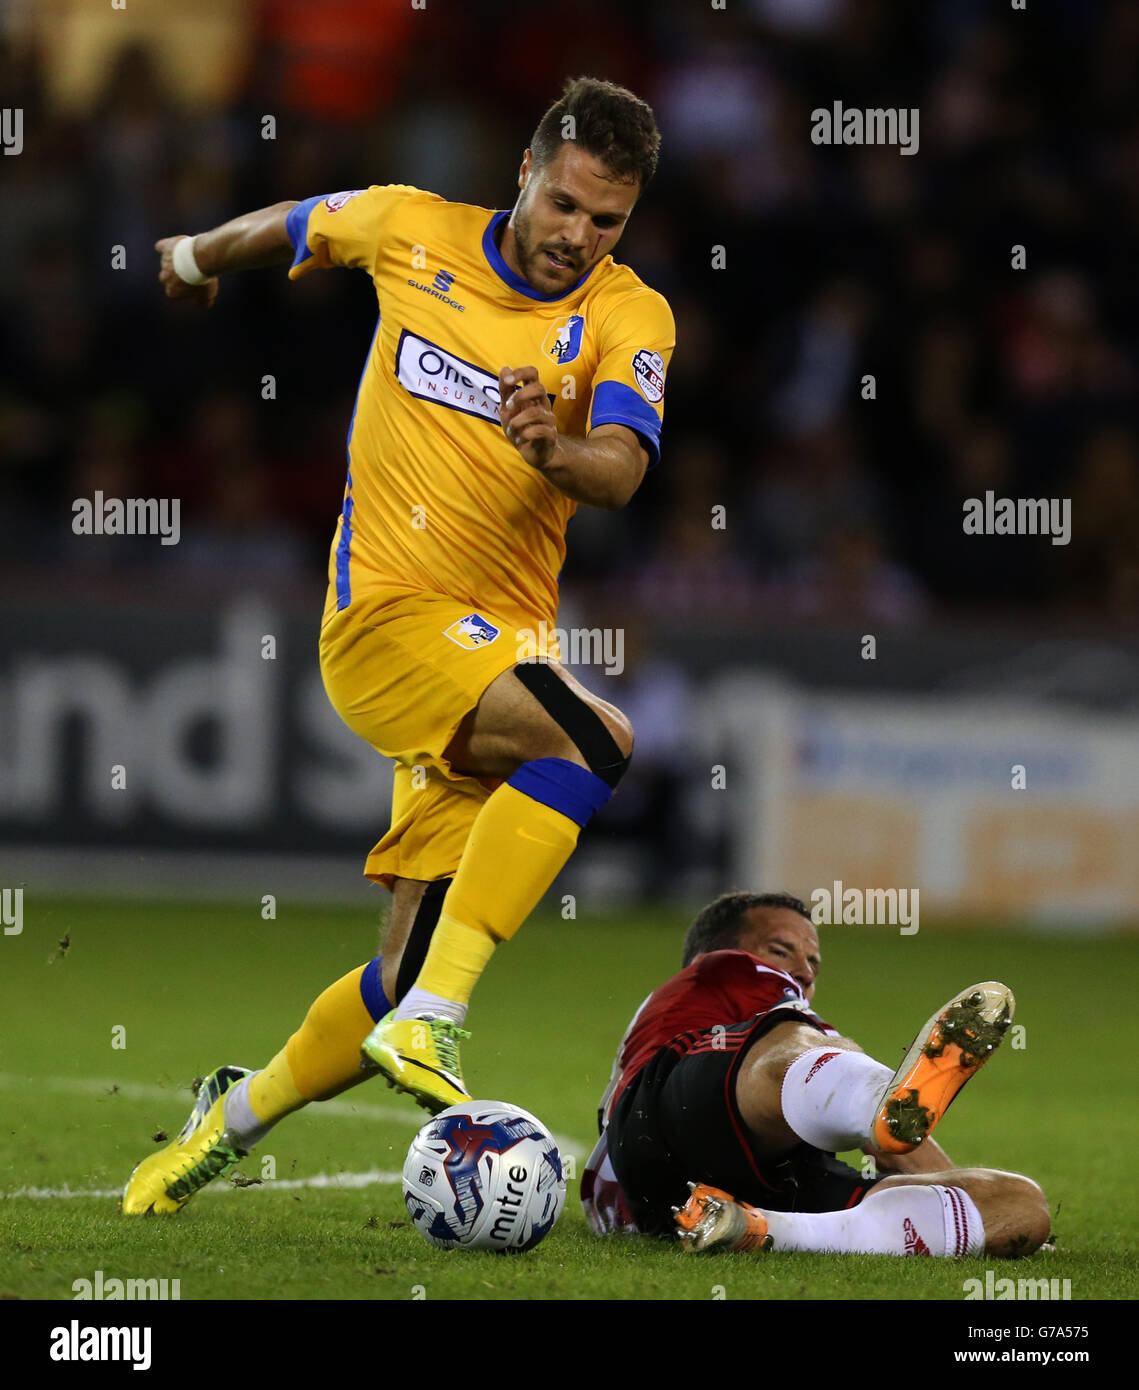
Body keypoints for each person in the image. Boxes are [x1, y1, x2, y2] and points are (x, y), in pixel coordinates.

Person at [123, 77, 674, 1215]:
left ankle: (225, 1120)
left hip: (491, 650)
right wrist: (190, 260)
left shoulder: (630, 315)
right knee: (596, 734)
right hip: (381, 618)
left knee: (399, 964)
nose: (577, 234)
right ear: (526, 169)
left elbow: (619, 469)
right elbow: (292, 224)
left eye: (605, 219)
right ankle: (439, 1020)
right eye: (564, 203)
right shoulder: (408, 226)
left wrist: (551, 446)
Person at [582, 891, 1051, 1259]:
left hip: (705, 1198)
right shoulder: (727, 975)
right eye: (781, 949)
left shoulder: (793, 1049)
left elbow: (898, 1148)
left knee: (1017, 1206)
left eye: (813, 963)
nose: (803, 971)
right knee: (793, 1035)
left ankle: (763, 1230)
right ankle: (875, 1101)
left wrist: (953, 1187)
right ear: (712, 954)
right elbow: (879, 1136)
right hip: (664, 1122)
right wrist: (880, 1117)